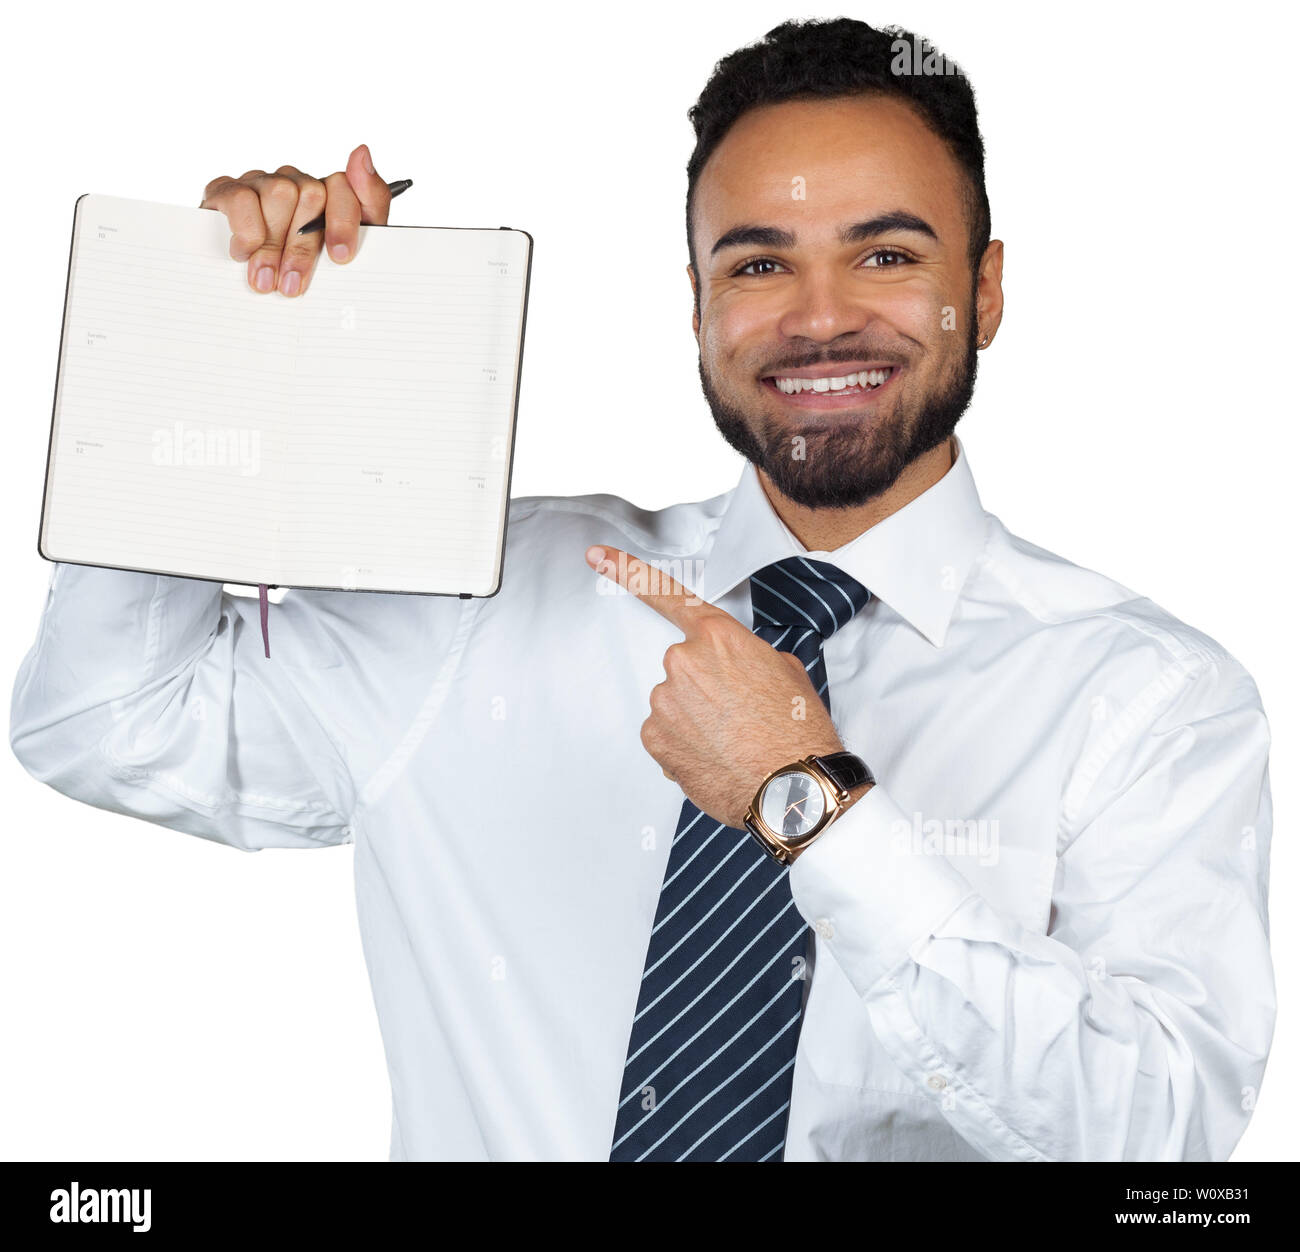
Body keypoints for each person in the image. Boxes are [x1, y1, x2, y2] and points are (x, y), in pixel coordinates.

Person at [10, 17, 1274, 1162]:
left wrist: (811, 805)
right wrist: (211, 336)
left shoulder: (1145, 699)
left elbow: (1156, 1138)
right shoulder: (484, 596)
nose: (819, 320)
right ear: (697, 304)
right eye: (758, 264)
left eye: (886, 253)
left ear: (983, 292)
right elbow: (104, 719)